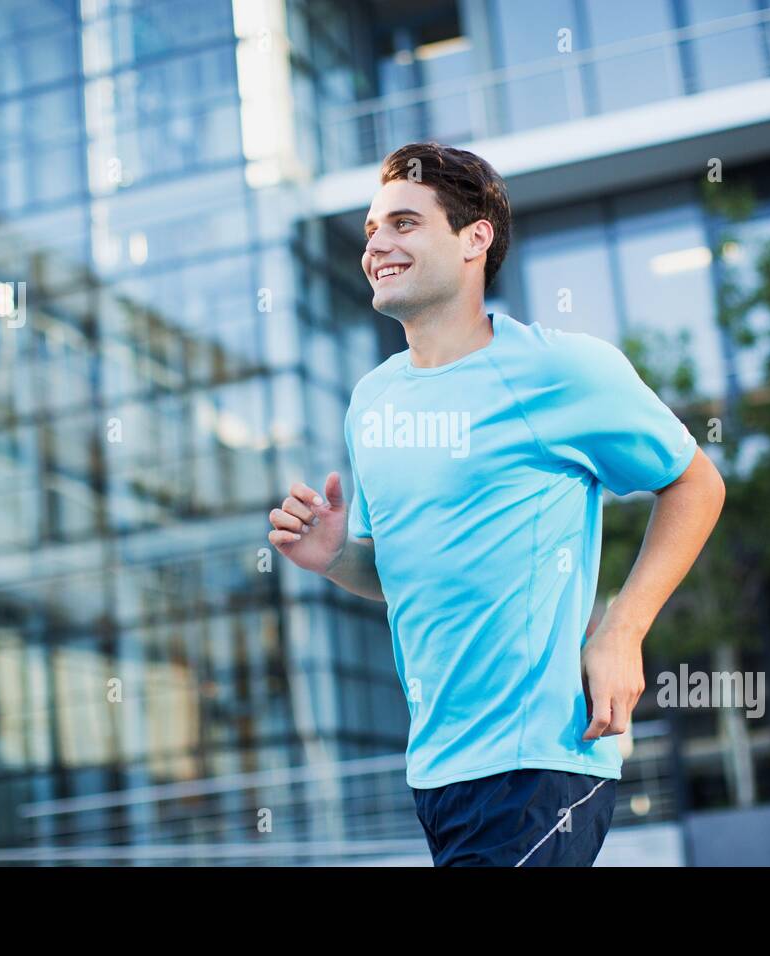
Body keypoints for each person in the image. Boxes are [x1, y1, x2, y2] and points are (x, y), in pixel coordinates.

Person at [267, 142, 726, 866]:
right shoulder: (372, 401)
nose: (378, 244)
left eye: (405, 223)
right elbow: (402, 576)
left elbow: (695, 483)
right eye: (371, 229)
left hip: (539, 761)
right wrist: (334, 559)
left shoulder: (559, 370)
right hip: (438, 771)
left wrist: (621, 630)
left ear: (474, 237)